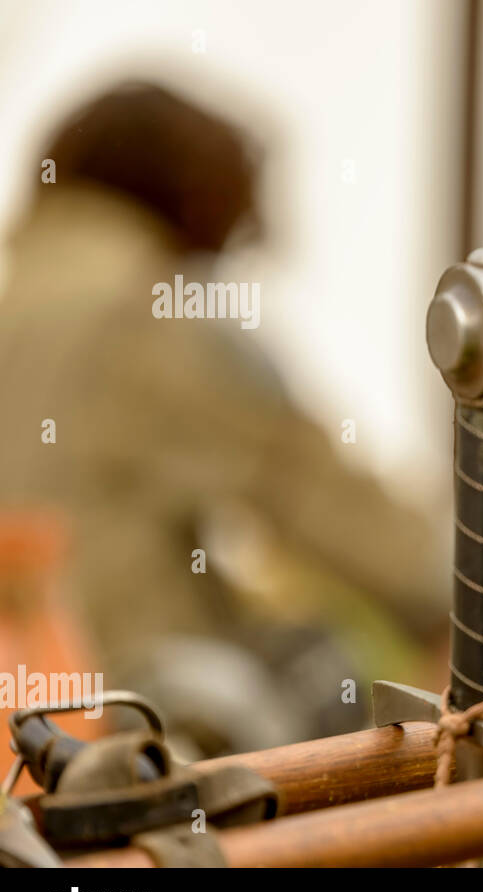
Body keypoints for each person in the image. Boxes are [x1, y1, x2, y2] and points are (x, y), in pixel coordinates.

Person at [0, 82, 442, 757]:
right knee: (323, 664)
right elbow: (323, 496)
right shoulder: (148, 313)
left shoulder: (18, 300)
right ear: (190, 206)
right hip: (130, 734)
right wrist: (480, 612)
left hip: (21, 747)